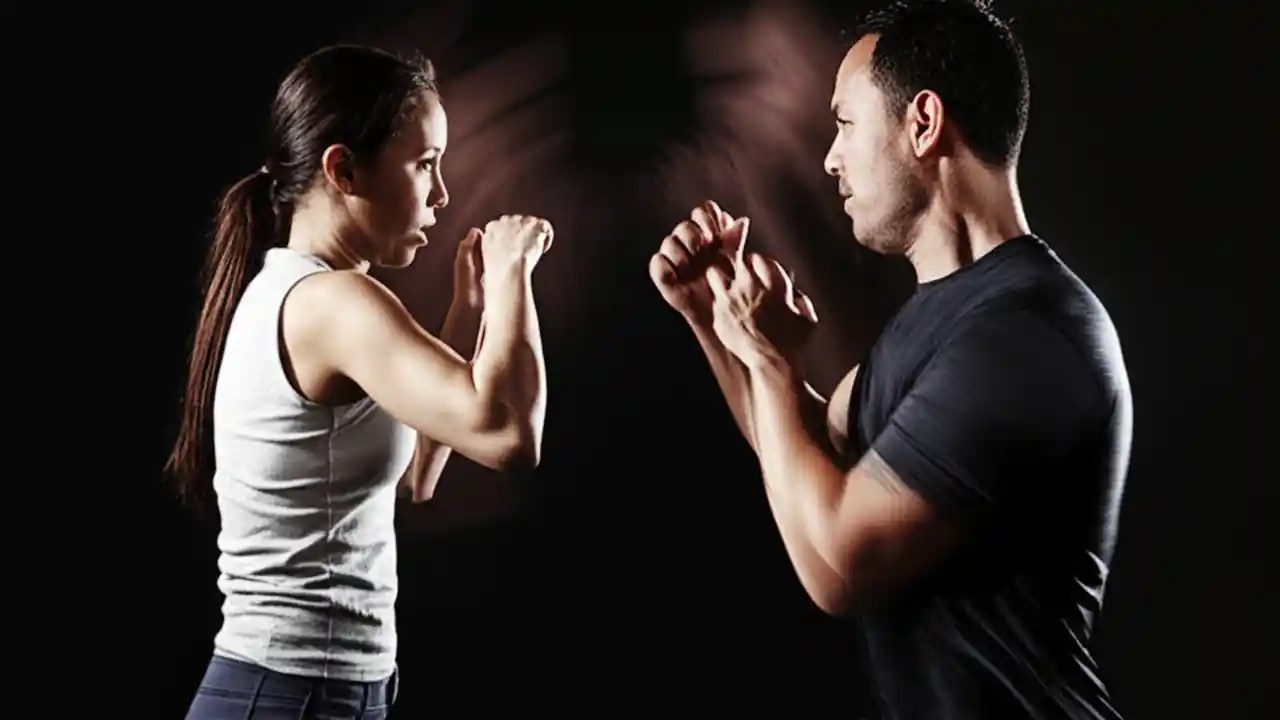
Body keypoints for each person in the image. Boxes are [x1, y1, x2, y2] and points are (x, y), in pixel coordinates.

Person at [649, 1, 1131, 718]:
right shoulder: (945, 317)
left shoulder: (1028, 332)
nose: (830, 158)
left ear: (923, 122)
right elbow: (807, 456)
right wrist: (713, 319)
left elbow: (838, 564)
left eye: (845, 123)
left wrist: (772, 360)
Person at [166, 44, 554, 719]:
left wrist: (470, 308)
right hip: (285, 694)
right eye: (425, 164)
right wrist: (513, 270)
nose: (441, 194)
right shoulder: (333, 302)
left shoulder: (307, 293)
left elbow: (418, 475)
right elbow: (509, 436)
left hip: (318, 693)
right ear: (343, 169)